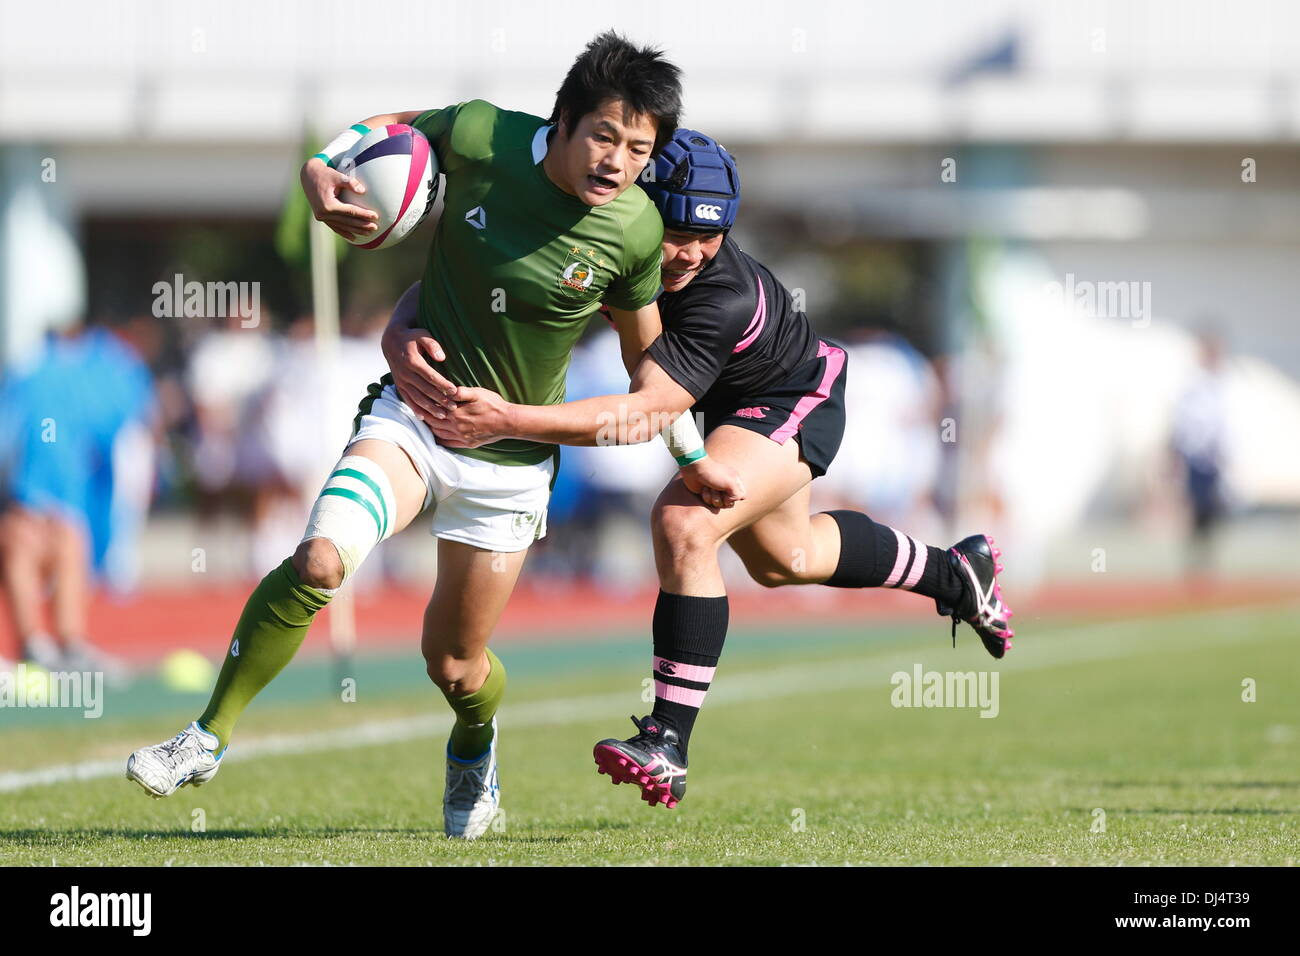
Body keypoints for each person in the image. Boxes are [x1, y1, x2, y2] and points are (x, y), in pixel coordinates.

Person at [125, 32, 741, 840]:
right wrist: (320, 167)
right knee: (319, 558)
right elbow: (388, 128)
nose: (617, 161)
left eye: (638, 148)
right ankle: (206, 736)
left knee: (454, 666)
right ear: (561, 122)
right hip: (412, 419)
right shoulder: (483, 133)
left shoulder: (631, 232)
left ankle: (475, 746)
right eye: (603, 135)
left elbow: (650, 383)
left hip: (513, 467)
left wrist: (692, 460)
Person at [405, 128, 1017, 809]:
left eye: (712, 235)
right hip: (722, 409)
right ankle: (954, 573)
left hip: (790, 394)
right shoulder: (594, 235)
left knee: (684, 524)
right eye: (675, 233)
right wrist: (401, 328)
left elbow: (642, 414)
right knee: (787, 558)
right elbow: (468, 274)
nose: (692, 253)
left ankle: (667, 742)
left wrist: (508, 420)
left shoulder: (716, 296)